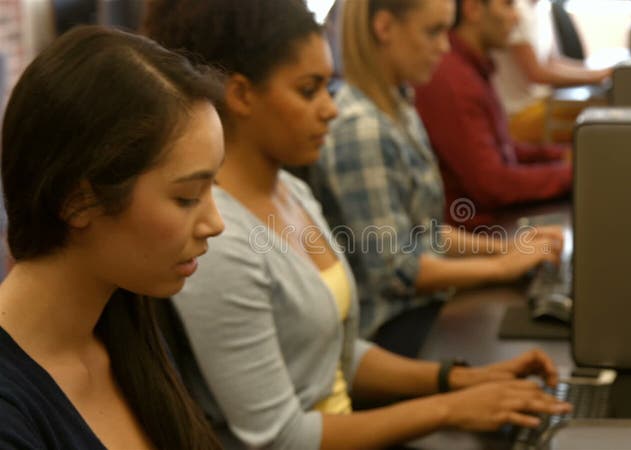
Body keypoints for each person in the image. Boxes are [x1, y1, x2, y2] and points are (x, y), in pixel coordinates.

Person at [144, 1, 571, 449]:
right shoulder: (221, 242)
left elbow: (336, 356)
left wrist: (461, 379)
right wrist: (451, 406)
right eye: (310, 90)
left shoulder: (292, 190)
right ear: (242, 95)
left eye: (328, 87)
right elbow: (282, 438)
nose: (331, 109)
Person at [0, 26, 225, 449]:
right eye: (187, 197)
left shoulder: (123, 316)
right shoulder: (12, 412)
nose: (215, 222)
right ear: (77, 202)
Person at [310, 0, 563, 357]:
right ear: (384, 28)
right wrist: (500, 266)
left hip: (419, 310)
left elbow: (424, 234)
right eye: (433, 32)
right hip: (390, 334)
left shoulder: (398, 105)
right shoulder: (362, 129)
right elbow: (397, 270)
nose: (445, 46)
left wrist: (507, 249)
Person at [415, 0, 573, 230]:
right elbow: (493, 184)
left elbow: (503, 150)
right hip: (481, 230)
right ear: (473, 9)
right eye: (507, 5)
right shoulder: (455, 80)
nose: (516, 17)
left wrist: (560, 157)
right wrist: (572, 174)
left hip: (492, 219)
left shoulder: (471, 67)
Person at [492, 0, 611, 144]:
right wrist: (595, 76)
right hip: (519, 113)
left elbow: (552, 61)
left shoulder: (543, 7)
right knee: (602, 120)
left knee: (603, 110)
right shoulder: (516, 10)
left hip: (543, 102)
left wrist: (595, 71)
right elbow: (537, 73)